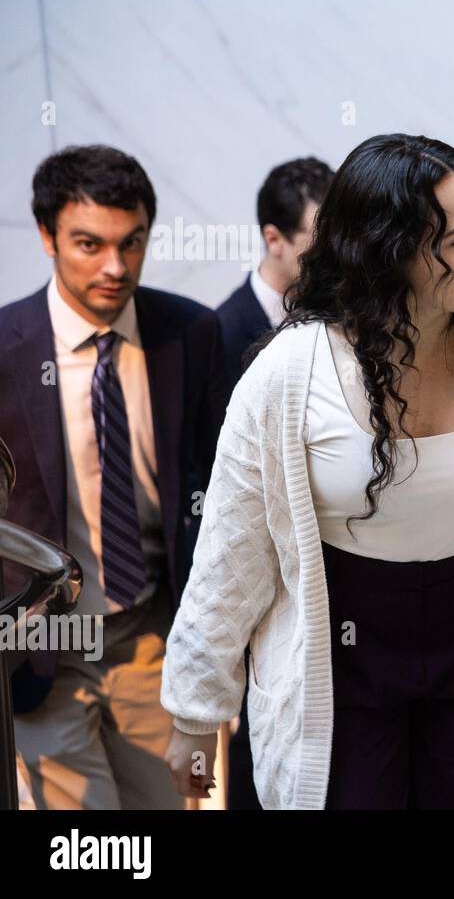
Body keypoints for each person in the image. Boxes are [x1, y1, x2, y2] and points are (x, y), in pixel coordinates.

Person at [160, 133, 454, 809]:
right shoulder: (289, 375)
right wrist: (194, 715)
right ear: (390, 252)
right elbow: (234, 550)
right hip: (344, 650)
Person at [0, 144, 227, 808]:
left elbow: (219, 489)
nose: (114, 266)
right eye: (88, 244)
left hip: (153, 642)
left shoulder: (190, 333)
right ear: (46, 237)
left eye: (132, 243)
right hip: (45, 650)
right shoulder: (5, 350)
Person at [215, 155, 333, 810]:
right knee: (253, 761)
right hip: (253, 587)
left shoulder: (344, 333)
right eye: (321, 245)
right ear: (274, 238)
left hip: (319, 596)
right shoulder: (221, 330)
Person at [216, 157, 333, 383]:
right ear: (273, 239)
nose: (336, 252)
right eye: (321, 240)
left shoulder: (347, 312)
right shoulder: (223, 334)